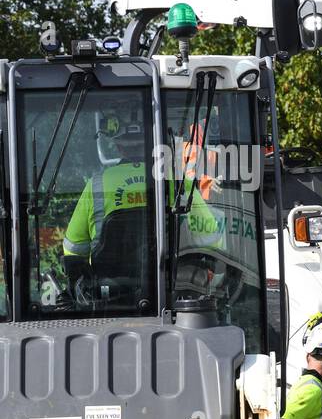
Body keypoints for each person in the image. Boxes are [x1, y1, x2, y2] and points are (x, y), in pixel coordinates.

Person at [63, 115, 221, 291]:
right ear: (156, 144)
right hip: (173, 295)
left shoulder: (97, 185)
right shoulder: (179, 182)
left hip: (112, 299)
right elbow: (211, 237)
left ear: (118, 146)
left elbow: (74, 250)